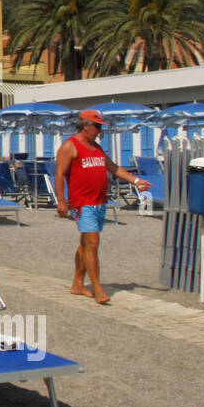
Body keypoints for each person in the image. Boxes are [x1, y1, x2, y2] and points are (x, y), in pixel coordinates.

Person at [54, 109, 151, 305]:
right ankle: (97, 287)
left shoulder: (96, 148)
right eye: (97, 126)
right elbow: (59, 175)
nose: (100, 131)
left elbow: (114, 168)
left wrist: (136, 181)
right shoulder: (69, 146)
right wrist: (61, 201)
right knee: (93, 243)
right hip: (83, 203)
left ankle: (77, 284)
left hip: (99, 201)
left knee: (85, 244)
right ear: (86, 126)